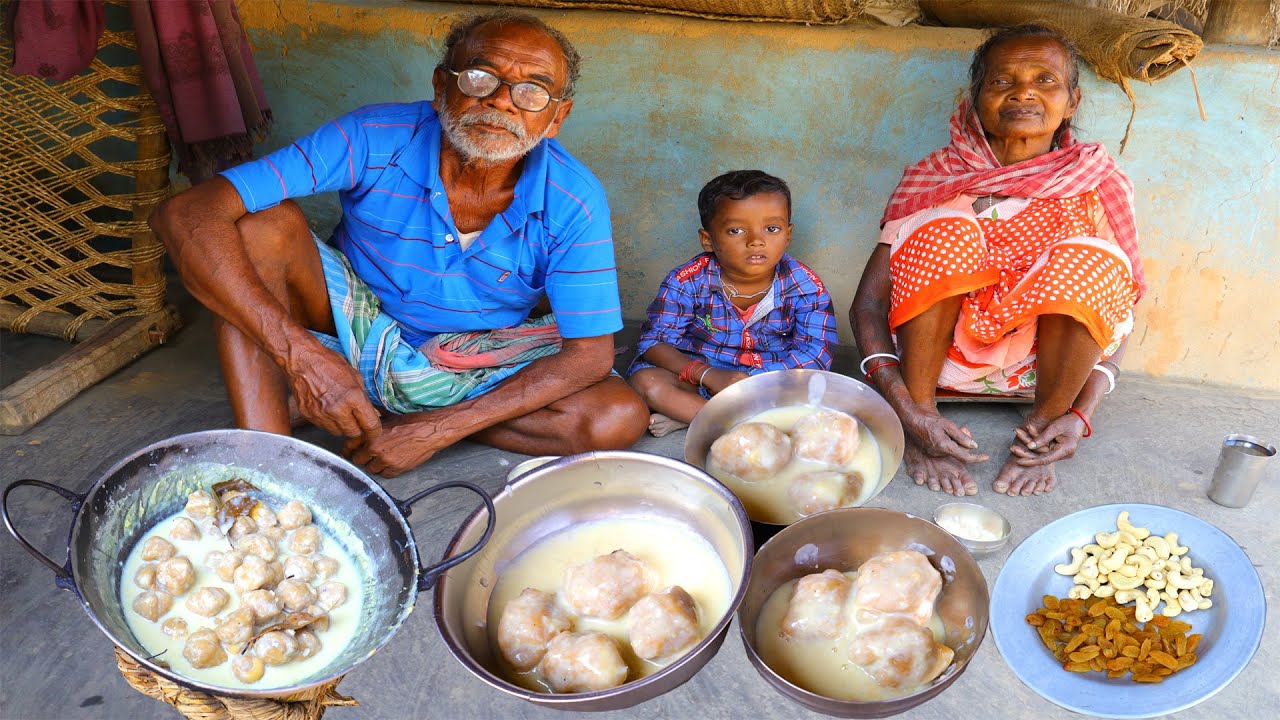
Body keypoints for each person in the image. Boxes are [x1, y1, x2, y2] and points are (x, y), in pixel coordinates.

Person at [149, 11, 649, 477]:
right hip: (353, 328)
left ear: (556, 119)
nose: (501, 101)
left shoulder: (573, 198)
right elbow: (187, 212)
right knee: (262, 224)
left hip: (471, 358)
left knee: (613, 419)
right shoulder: (374, 134)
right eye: (480, 78)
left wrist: (433, 431)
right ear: (441, 86)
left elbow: (589, 355)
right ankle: (267, 464)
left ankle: (380, 413)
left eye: (532, 92)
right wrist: (300, 356)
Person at [850, 25, 1144, 497]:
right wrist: (906, 410)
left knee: (1095, 258)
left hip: (1041, 375)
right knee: (946, 228)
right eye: (1002, 81)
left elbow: (1117, 313)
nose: (1023, 91)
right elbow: (867, 304)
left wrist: (1077, 415)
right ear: (975, 99)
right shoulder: (935, 177)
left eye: (1045, 80)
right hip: (933, 364)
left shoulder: (1097, 185)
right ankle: (927, 425)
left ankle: (1039, 438)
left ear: (1073, 101)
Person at [628, 170, 837, 437]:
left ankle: (700, 416)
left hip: (767, 381)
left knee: (815, 389)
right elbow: (654, 342)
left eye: (771, 229)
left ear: (788, 233)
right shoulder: (686, 281)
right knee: (647, 383)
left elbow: (816, 355)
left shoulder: (805, 286)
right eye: (736, 230)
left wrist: (750, 383)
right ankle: (737, 421)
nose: (756, 241)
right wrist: (708, 375)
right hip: (699, 375)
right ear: (708, 239)